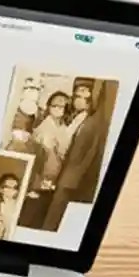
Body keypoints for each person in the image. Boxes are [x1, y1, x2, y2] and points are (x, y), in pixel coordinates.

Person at [45, 81, 110, 231]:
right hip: (62, 171)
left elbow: (82, 152)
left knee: (56, 216)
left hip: (70, 176)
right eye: (76, 96)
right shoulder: (77, 118)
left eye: (83, 97)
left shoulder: (90, 122)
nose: (78, 100)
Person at [30, 91, 72, 193]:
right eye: (54, 106)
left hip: (59, 174)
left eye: (62, 107)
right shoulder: (42, 127)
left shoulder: (66, 128)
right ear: (49, 107)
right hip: (43, 175)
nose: (58, 109)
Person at [4, 75, 44, 152]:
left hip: (26, 139)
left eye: (37, 89)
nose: (33, 92)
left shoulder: (36, 109)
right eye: (30, 88)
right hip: (18, 138)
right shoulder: (22, 105)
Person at [0, 174, 22, 240]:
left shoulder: (19, 204)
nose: (12, 190)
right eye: (9, 187)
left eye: (15, 187)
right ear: (1, 189)